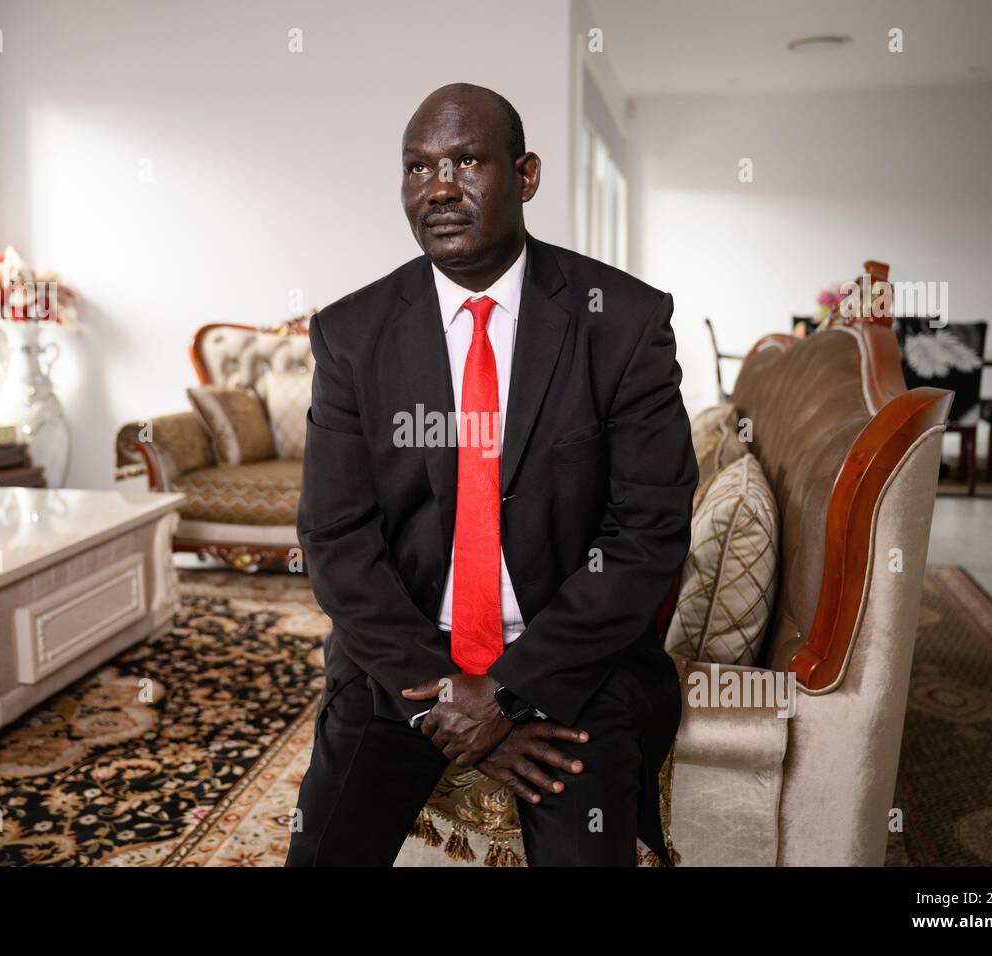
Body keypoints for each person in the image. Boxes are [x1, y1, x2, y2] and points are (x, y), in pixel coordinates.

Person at [286, 83, 697, 866]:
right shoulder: (350, 334)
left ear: (527, 174)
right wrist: (450, 702)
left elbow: (647, 534)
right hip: (404, 665)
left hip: (572, 661)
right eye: (417, 168)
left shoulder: (623, 323)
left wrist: (508, 694)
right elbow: (336, 539)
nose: (438, 188)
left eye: (466, 161)